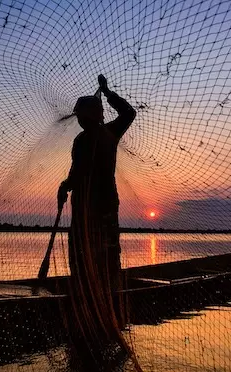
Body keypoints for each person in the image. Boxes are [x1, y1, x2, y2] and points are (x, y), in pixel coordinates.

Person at [57, 74, 136, 348]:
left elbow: (75, 175)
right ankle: (99, 298)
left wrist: (65, 186)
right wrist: (65, 185)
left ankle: (97, 299)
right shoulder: (103, 134)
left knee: (95, 252)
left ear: (90, 116)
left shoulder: (94, 137)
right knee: (94, 254)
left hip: (94, 208)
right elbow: (128, 112)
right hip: (95, 207)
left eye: (81, 116)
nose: (79, 120)